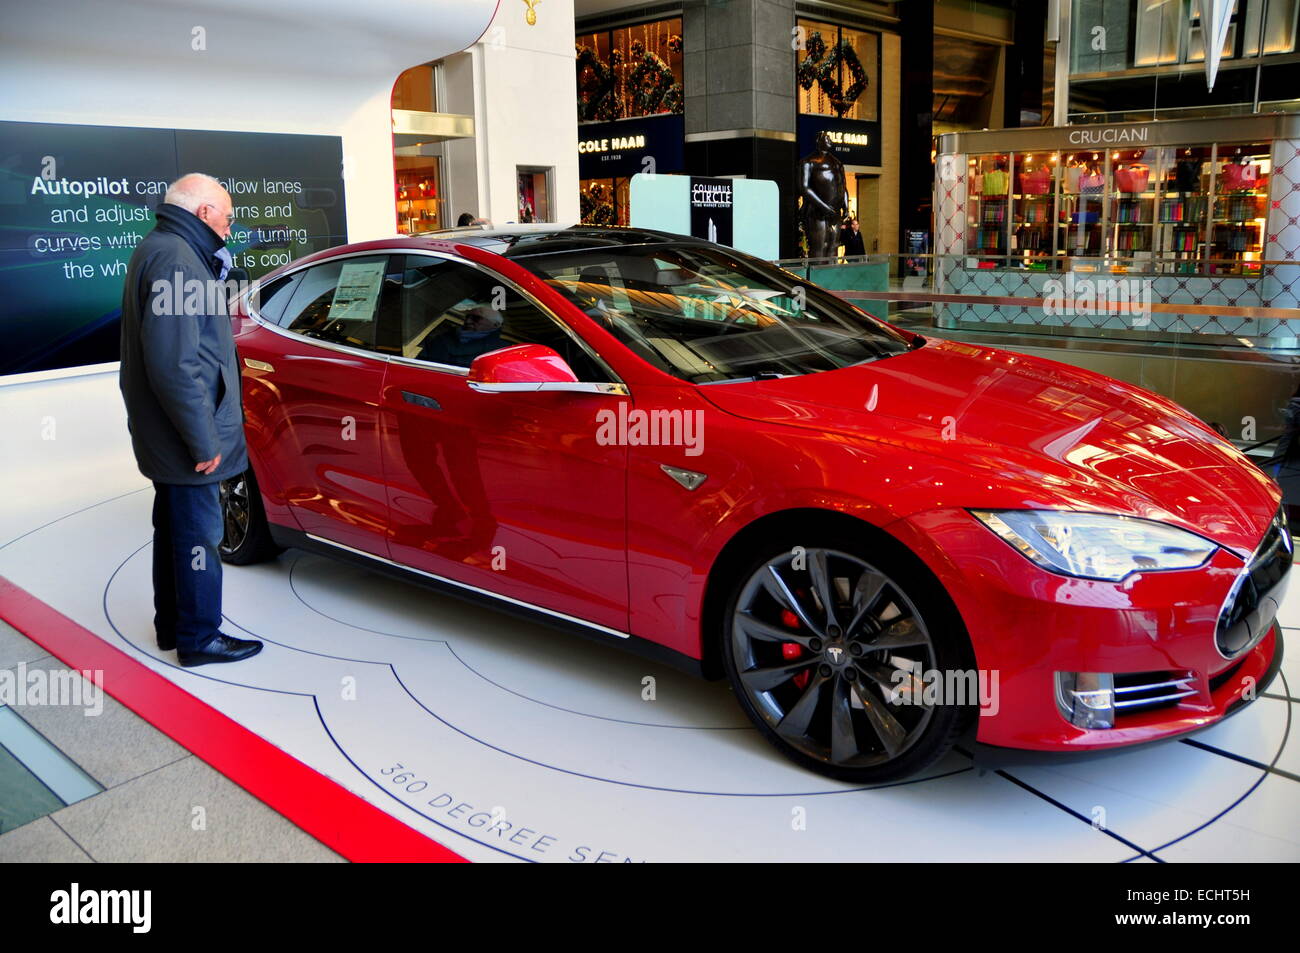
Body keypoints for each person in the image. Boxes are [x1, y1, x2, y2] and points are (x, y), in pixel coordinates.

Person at [118, 173, 264, 667]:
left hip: (166, 433)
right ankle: (200, 639)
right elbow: (174, 364)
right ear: (203, 212)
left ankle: (172, 626)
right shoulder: (179, 261)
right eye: (226, 214)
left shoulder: (162, 247)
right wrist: (203, 442)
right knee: (200, 534)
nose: (230, 223)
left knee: (175, 529)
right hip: (186, 438)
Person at [418, 305, 505, 367]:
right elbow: (420, 363)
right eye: (467, 317)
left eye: (476, 318)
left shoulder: (500, 351)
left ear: (495, 325)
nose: (468, 321)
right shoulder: (442, 338)